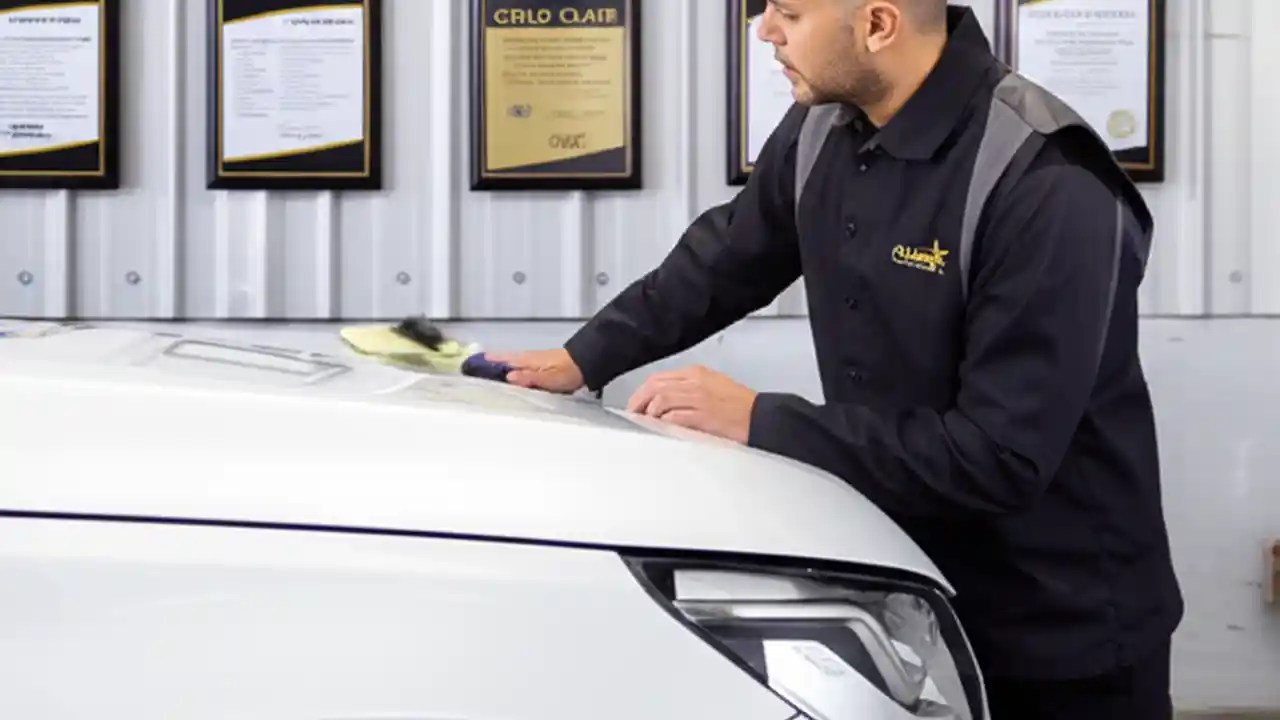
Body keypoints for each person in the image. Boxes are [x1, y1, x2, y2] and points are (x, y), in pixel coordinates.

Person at [488, 1, 1183, 716]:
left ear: (878, 25)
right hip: (909, 586)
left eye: (788, 11)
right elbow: (729, 258)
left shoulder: (1047, 181)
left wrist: (760, 421)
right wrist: (581, 358)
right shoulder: (825, 124)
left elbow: (997, 457)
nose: (764, 29)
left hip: (1061, 633)